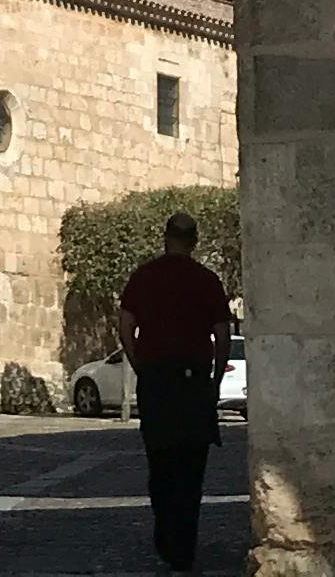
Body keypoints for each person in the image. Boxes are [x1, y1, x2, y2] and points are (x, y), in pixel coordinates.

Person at [114, 213, 235, 570]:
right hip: (194, 383)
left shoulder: (144, 278)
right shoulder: (206, 281)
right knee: (192, 469)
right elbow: (223, 335)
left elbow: (125, 327)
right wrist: (213, 382)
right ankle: (185, 545)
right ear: (194, 241)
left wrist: (141, 367)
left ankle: (166, 539)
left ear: (165, 237)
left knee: (161, 464)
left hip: (158, 383)